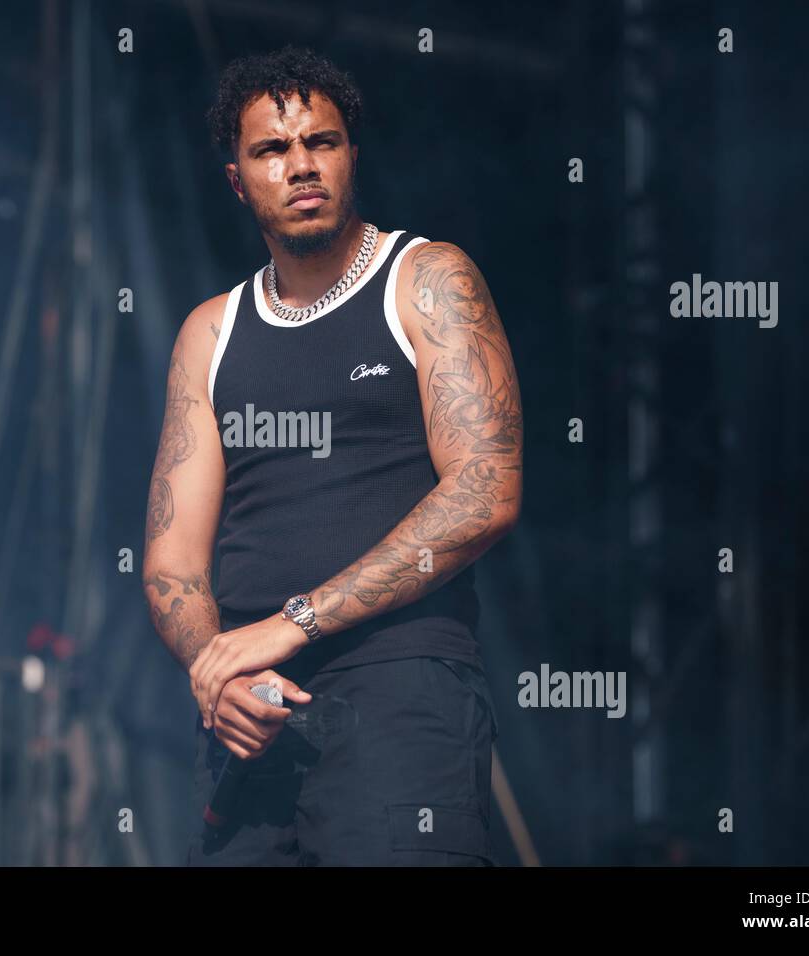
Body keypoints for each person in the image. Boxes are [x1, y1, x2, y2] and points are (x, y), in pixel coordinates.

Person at [141, 45, 523, 865]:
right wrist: (220, 671)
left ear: (353, 154)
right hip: (251, 717)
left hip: (398, 687)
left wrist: (293, 622)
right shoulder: (209, 332)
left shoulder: (426, 279)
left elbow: (486, 491)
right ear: (239, 181)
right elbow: (172, 558)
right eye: (273, 150)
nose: (301, 165)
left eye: (323, 141)